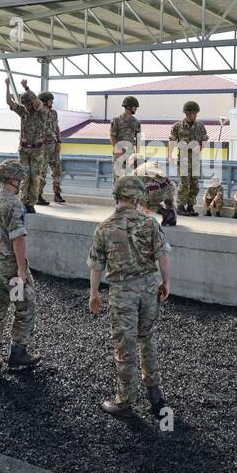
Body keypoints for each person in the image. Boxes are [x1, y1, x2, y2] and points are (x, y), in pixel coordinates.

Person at [88, 174, 172, 419]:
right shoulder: (150, 223)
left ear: (117, 197)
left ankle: (125, 400)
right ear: (138, 197)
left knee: (124, 345)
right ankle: (154, 393)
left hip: (122, 292)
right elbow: (162, 257)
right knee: (147, 339)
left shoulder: (105, 227)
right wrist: (166, 282)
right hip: (148, 289)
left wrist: (94, 294)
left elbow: (96, 265)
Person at [0, 160, 41, 379]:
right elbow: (18, 239)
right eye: (19, 179)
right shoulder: (14, 204)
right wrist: (21, 271)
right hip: (10, 269)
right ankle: (18, 352)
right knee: (25, 306)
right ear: (13, 179)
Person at [6, 80, 48, 210]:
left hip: (37, 149)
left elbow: (37, 101)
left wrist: (26, 88)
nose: (26, 107)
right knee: (24, 176)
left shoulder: (41, 112)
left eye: (28, 104)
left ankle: (31, 204)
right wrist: (7, 86)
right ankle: (23, 202)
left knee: (35, 177)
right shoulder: (23, 111)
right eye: (24, 105)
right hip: (24, 149)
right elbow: (10, 102)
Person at [169, 100, 210, 216]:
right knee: (184, 183)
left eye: (195, 114)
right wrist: (169, 155)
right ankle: (180, 206)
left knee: (194, 183)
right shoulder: (178, 126)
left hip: (196, 159)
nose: (194, 116)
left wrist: (200, 148)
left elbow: (204, 140)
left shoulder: (200, 126)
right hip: (183, 158)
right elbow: (172, 141)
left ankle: (190, 206)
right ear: (186, 114)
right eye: (192, 114)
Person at [131, 157, 177, 226]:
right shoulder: (153, 163)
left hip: (160, 191)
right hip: (171, 186)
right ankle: (172, 217)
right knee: (167, 197)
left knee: (143, 201)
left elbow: (137, 190)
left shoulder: (136, 172)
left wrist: (144, 205)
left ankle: (165, 213)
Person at [38, 90, 65, 203]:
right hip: (43, 146)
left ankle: (57, 194)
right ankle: (38, 195)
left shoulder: (54, 113)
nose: (52, 102)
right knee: (42, 171)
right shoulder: (39, 113)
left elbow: (56, 127)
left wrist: (59, 141)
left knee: (57, 170)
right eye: (50, 100)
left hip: (54, 145)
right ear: (44, 101)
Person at [110, 96, 141, 177]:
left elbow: (138, 140)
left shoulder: (136, 122)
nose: (136, 109)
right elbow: (112, 137)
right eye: (135, 107)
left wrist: (137, 155)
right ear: (128, 107)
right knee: (118, 182)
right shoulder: (116, 120)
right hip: (119, 155)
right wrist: (118, 152)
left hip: (131, 156)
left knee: (130, 181)